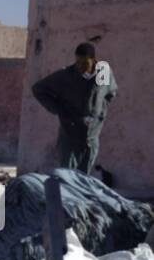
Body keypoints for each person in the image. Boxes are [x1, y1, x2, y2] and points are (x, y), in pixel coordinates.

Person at [31, 42, 118, 176]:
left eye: (85, 63)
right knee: (68, 176)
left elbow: (110, 93)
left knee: (84, 179)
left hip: (91, 137)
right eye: (78, 62)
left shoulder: (104, 72)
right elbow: (38, 89)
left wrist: (101, 112)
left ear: (94, 60)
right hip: (70, 135)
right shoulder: (66, 75)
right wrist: (58, 109)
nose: (80, 67)